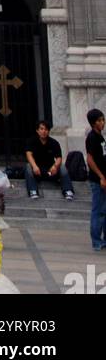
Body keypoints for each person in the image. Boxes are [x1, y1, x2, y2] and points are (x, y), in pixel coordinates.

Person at [24, 120, 74, 199]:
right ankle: (33, 191)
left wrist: (55, 166)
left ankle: (68, 191)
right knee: (28, 166)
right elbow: (29, 154)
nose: (44, 131)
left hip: (50, 171)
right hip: (37, 171)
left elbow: (59, 158)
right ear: (37, 130)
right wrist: (34, 166)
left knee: (62, 167)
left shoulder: (54, 143)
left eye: (46, 129)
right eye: (42, 129)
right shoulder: (31, 141)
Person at [85, 108, 106, 252]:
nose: (102, 123)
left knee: (104, 210)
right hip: (97, 180)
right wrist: (101, 176)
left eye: (103, 119)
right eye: (99, 120)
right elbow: (90, 159)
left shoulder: (101, 137)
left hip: (103, 178)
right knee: (98, 210)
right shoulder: (92, 137)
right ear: (93, 123)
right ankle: (96, 241)